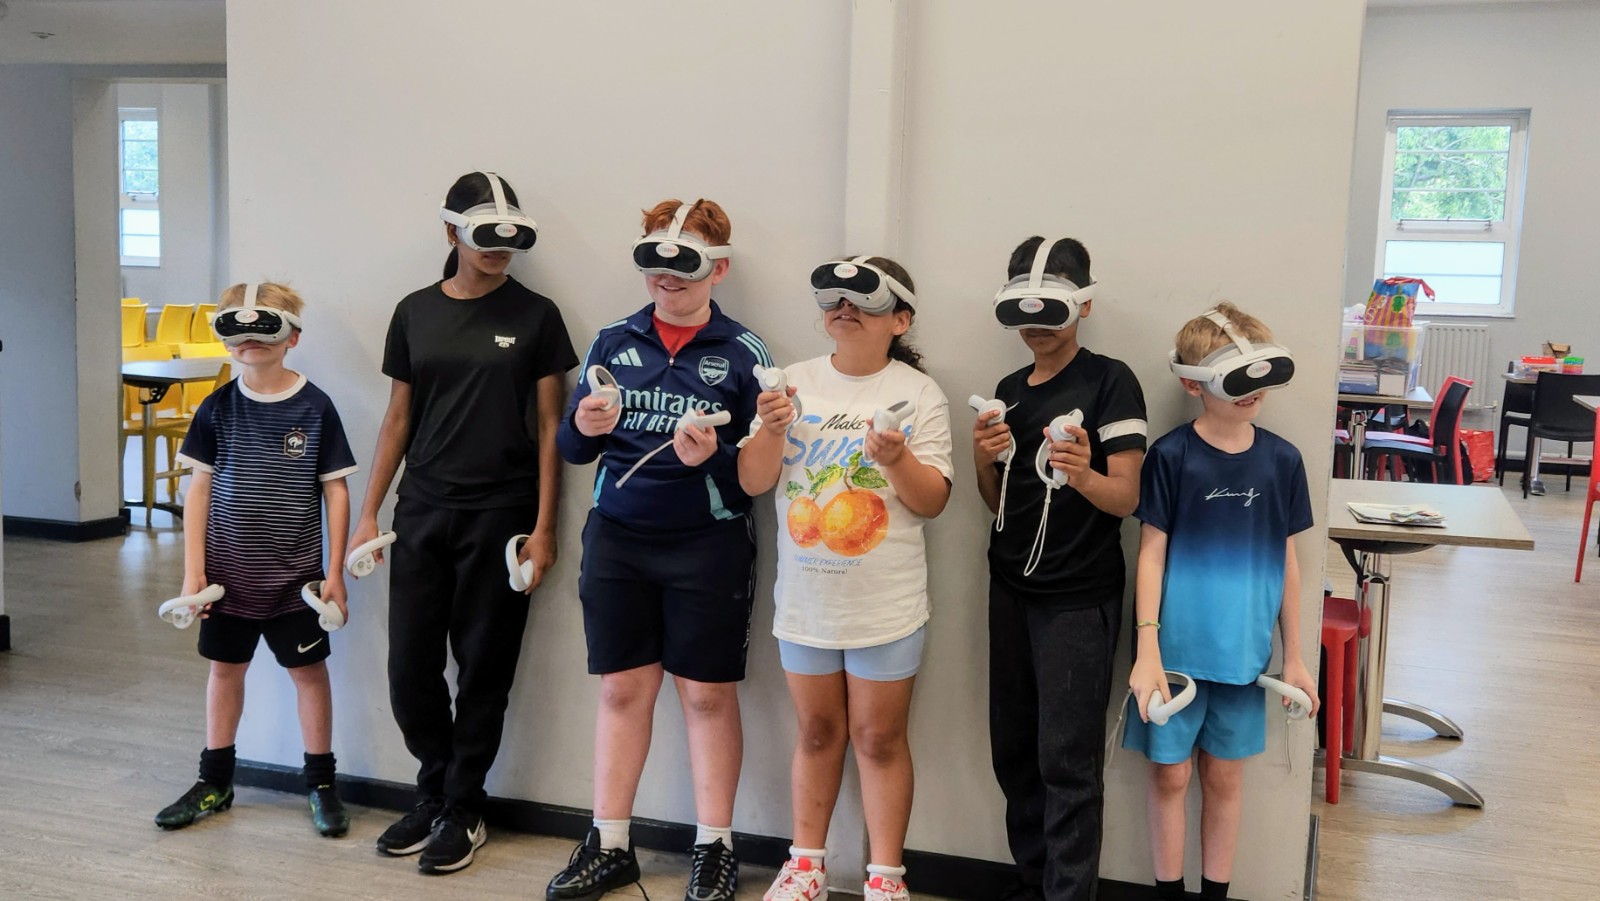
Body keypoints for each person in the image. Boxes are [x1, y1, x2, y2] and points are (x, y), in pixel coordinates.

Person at [351, 171, 577, 875]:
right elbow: (398, 417)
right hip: (421, 510)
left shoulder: (538, 316)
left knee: (483, 667)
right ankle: (435, 792)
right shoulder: (414, 311)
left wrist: (544, 528)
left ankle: (465, 806)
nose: (498, 250)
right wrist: (367, 512)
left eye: (510, 239)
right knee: (409, 667)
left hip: (502, 515)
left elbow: (552, 427)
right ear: (451, 232)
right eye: (484, 237)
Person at [547, 198, 769, 901]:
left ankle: (715, 846)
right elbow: (573, 449)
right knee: (621, 690)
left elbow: (758, 472)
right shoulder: (613, 340)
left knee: (706, 697)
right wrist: (583, 425)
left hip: (709, 543)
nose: (667, 277)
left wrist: (714, 457)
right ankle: (610, 843)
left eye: (686, 265)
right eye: (654, 262)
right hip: (618, 539)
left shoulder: (745, 353)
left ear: (719, 269)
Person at [740, 255, 953, 901]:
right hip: (806, 602)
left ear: (900, 319)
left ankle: (886, 878)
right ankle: (806, 866)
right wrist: (770, 429)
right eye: (834, 298)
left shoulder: (919, 392)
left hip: (885, 604)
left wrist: (897, 458)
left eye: (863, 300)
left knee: (879, 739)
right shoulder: (792, 383)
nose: (844, 308)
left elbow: (932, 500)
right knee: (815, 733)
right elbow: (753, 480)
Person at [1122, 303, 1319, 901]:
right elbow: (1150, 554)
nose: (1252, 391)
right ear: (1194, 383)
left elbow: (1288, 563)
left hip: (1245, 659)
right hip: (1174, 659)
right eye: (1236, 378)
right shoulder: (1171, 456)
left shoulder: (1283, 461)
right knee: (1170, 777)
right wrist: (1147, 650)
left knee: (1226, 779)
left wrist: (1294, 655)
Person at [972, 237, 1147, 901]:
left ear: (1084, 305)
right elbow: (998, 504)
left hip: (1077, 598)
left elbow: (1126, 498)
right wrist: (982, 457)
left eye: (1052, 307)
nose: (1037, 322)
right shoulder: (1008, 391)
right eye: (1026, 307)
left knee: (1067, 761)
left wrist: (1082, 473)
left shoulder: (1110, 381)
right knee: (1014, 751)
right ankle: (1031, 884)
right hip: (1010, 589)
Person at [156, 282, 357, 839]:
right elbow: (199, 489)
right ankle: (215, 782)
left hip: (296, 582)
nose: (250, 341)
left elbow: (336, 491)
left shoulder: (316, 407)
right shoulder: (217, 407)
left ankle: (321, 785)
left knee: (309, 675)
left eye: (264, 328)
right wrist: (194, 571)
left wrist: (335, 573)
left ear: (292, 337)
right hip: (227, 580)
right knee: (225, 672)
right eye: (236, 330)